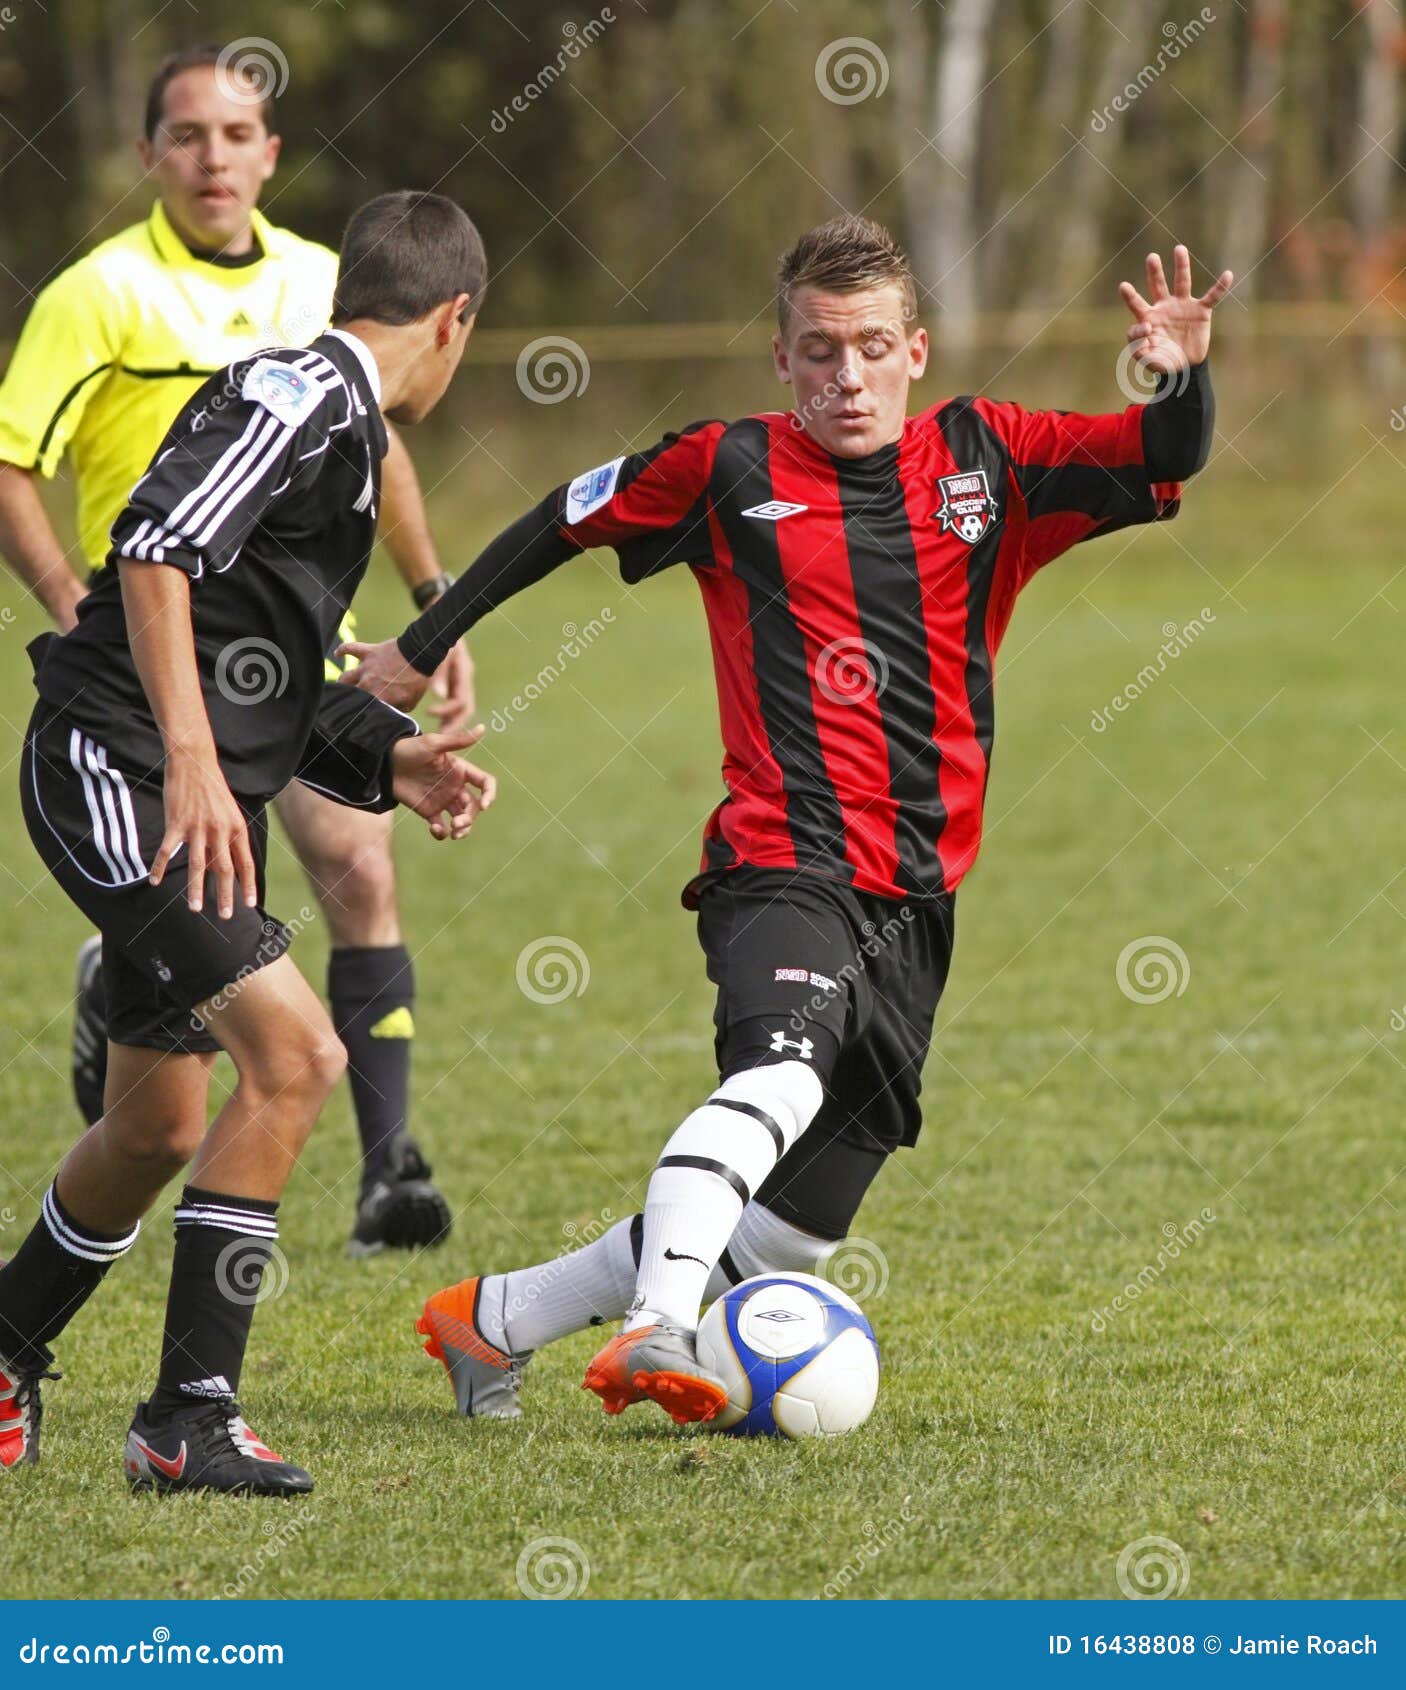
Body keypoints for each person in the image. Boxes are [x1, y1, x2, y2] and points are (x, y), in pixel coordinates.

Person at [341, 216, 1230, 1425]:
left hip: (914, 899)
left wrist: (1180, 368)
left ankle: (491, 1322)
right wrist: (415, 648)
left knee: (791, 1235)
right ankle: (658, 1325)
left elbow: (1163, 452)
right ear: (780, 358)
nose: (845, 377)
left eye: (869, 347)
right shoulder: (725, 469)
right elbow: (563, 514)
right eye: (817, 351)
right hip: (780, 865)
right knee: (777, 1074)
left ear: (914, 351)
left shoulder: (990, 459)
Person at [0, 191, 494, 1492]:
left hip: (185, 790)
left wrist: (392, 761)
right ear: (453, 322)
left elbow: (263, 681)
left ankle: (5, 1346)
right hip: (116, 770)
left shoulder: (336, 438)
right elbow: (153, 552)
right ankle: (187, 1415)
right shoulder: (300, 397)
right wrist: (201, 765)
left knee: (160, 1125)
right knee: (296, 1055)